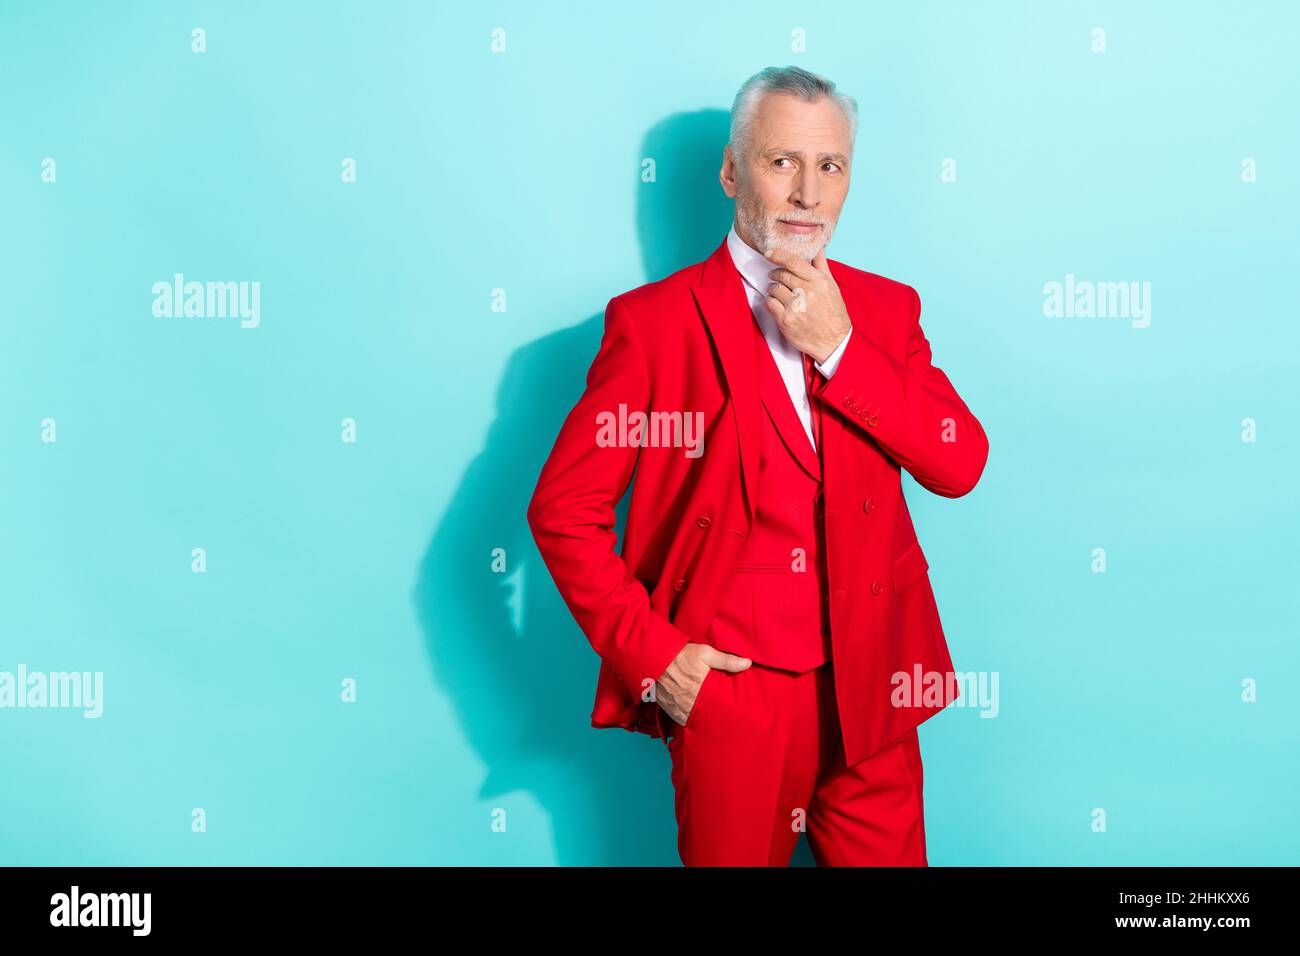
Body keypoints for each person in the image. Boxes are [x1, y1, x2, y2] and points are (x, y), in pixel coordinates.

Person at [527, 65, 989, 866]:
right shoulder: (653, 327)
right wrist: (655, 655)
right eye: (782, 163)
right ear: (733, 171)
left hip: (874, 688)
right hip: (734, 696)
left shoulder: (885, 311)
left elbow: (959, 462)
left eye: (830, 167)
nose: (808, 193)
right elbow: (563, 512)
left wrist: (843, 350)